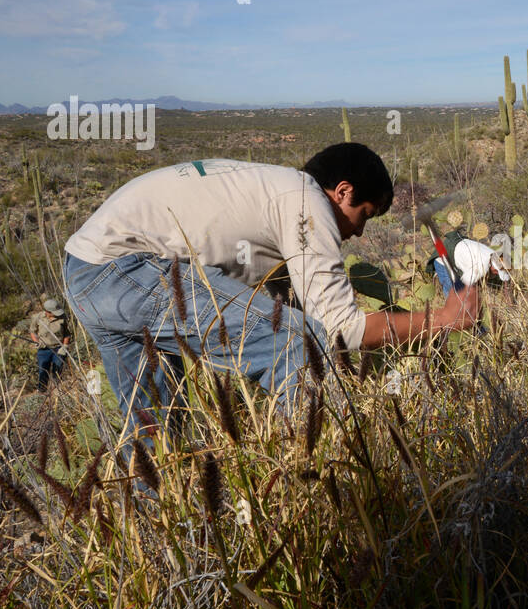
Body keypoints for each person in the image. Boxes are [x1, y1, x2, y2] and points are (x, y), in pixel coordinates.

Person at [62, 143, 480, 458]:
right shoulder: (304, 200)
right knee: (300, 343)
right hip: (126, 270)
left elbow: (288, 304)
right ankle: (318, 480)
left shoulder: (271, 191)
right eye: (365, 215)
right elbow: (339, 330)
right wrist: (444, 319)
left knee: (156, 436)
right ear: (342, 191)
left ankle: (159, 545)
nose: (358, 234)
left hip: (87, 272)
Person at [29, 299, 70, 390]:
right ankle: (42, 392)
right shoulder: (37, 317)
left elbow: (67, 333)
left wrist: (65, 346)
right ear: (47, 311)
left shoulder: (62, 318)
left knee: (58, 371)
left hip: (58, 348)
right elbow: (32, 331)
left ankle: (57, 392)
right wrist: (37, 342)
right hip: (44, 350)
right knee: (43, 371)